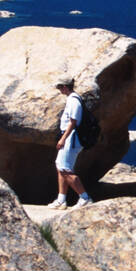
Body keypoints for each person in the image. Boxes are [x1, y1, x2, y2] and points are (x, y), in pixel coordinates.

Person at [47, 80, 93, 210]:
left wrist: (62, 139)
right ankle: (61, 199)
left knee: (65, 169)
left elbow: (73, 122)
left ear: (65, 87)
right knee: (60, 167)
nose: (59, 90)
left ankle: (84, 198)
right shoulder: (71, 99)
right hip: (69, 138)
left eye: (59, 87)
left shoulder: (74, 100)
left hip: (72, 139)